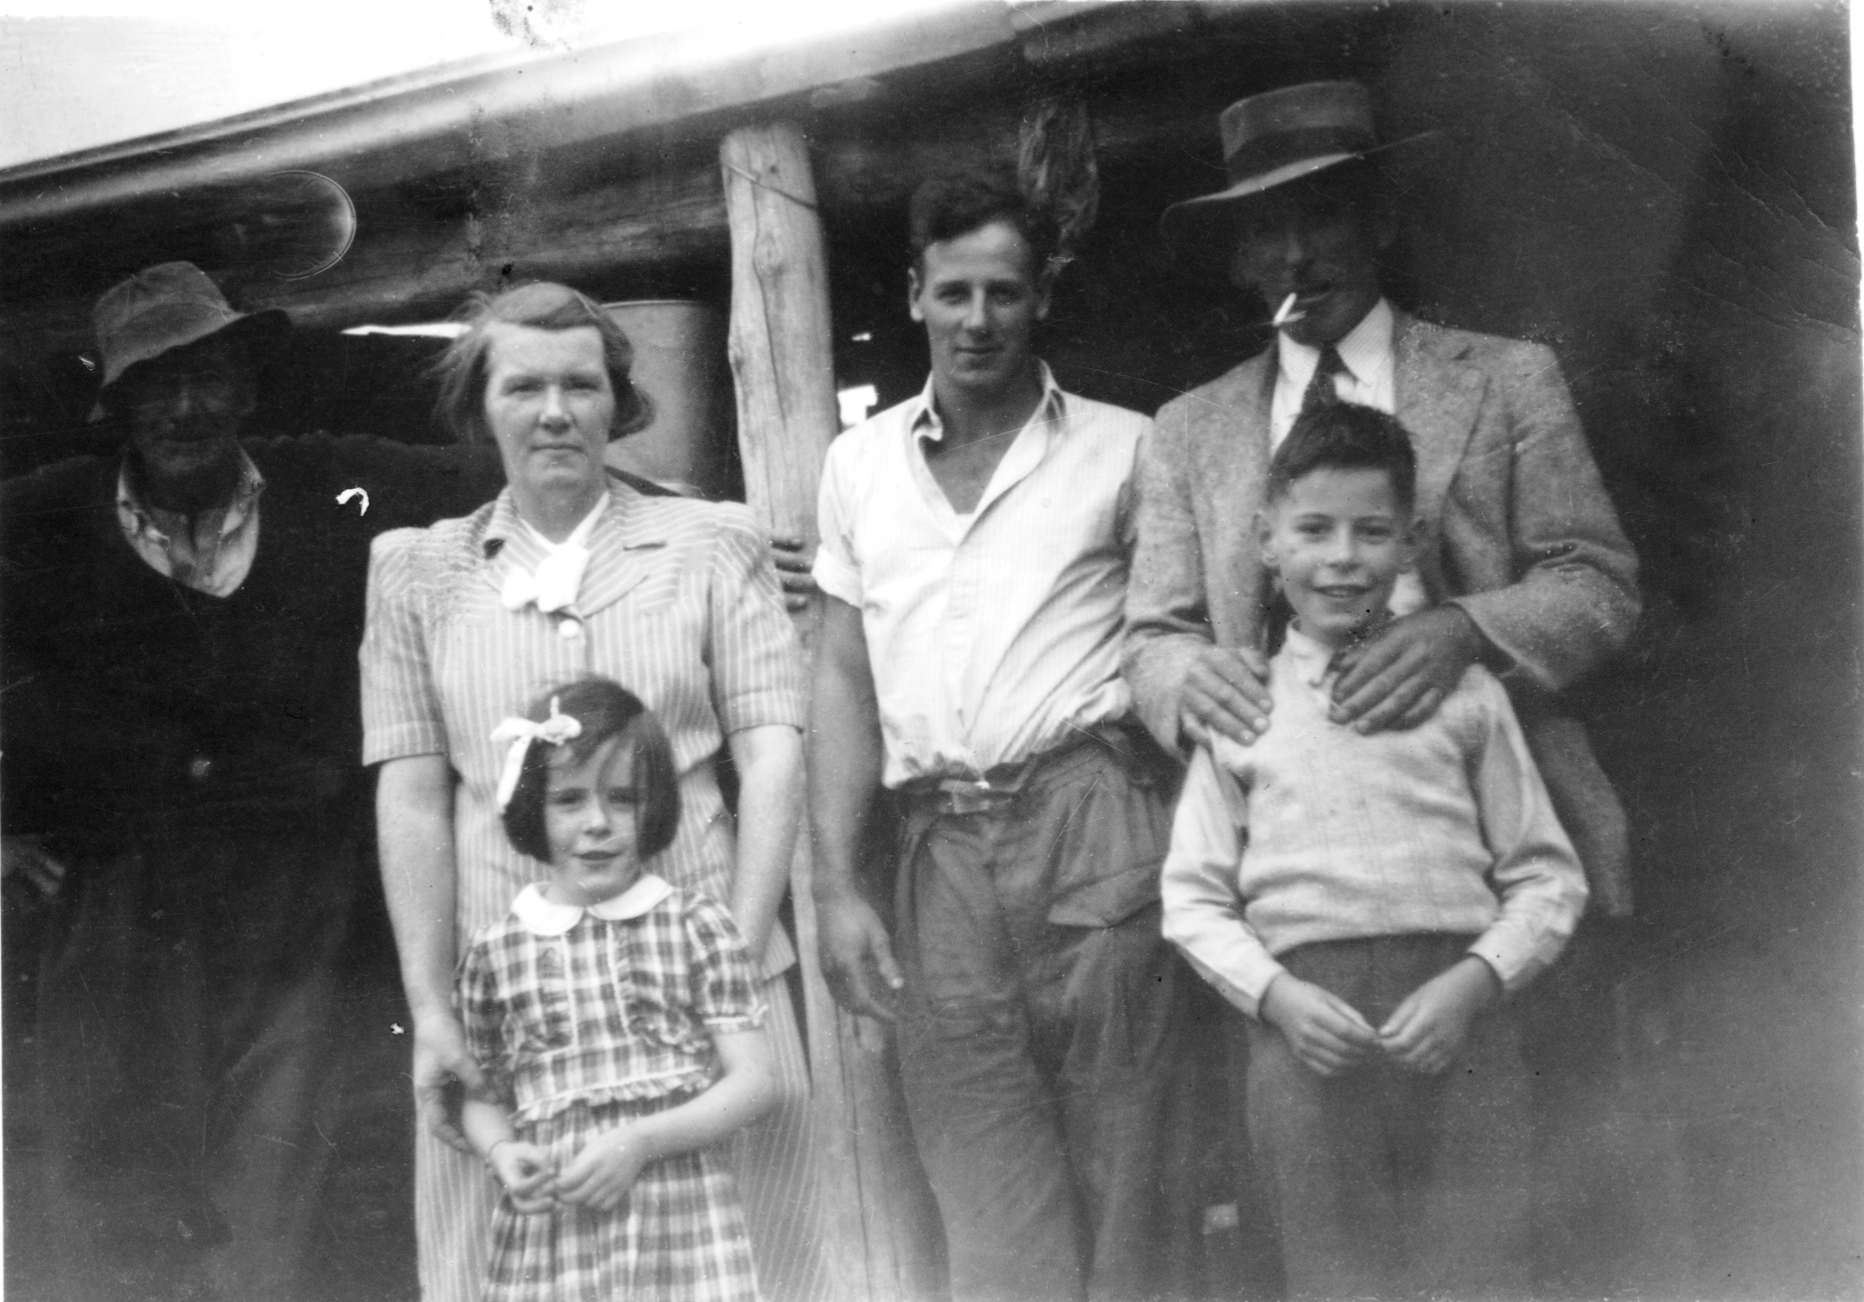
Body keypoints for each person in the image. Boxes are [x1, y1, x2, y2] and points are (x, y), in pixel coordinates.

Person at [0, 261, 507, 1301]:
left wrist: (687, 523)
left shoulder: (334, 481)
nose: (183, 407)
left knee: (276, 1191)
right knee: (110, 1183)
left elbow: (519, 477)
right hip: (116, 907)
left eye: (206, 378)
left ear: (245, 387)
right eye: (156, 383)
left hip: (298, 901)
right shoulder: (39, 517)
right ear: (118, 399)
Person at [361, 280, 828, 1302]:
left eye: (582, 384)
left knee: (750, 1262)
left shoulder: (712, 542)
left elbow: (773, 753)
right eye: (522, 386)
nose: (555, 411)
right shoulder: (416, 572)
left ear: (620, 400)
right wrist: (431, 1009)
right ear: (481, 409)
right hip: (510, 1001)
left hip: (708, 962)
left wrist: (735, 965)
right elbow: (410, 798)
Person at [1126, 80, 1640, 914]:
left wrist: (1468, 630)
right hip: (1285, 836)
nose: (1295, 256)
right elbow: (1154, 634)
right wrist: (1191, 680)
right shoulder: (1190, 427)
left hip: (1502, 817)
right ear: (1238, 258)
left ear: (1382, 224)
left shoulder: (1507, 380)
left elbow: (1598, 584)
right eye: (1266, 228)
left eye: (1323, 215)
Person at [809, 169, 1186, 1302]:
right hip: (937, 853)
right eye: (955, 292)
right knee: (982, 1187)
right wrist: (834, 882)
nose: (979, 321)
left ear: (1040, 301)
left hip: (1094, 821)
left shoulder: (1127, 446)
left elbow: (1177, 634)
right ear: (914, 293)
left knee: (1133, 1175)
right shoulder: (856, 465)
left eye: (1005, 295)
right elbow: (837, 673)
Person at [1161, 403, 1589, 1298]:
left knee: (1479, 1271)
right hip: (1307, 1036)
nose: (1343, 557)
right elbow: (1193, 898)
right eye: (1314, 530)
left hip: (1460, 1020)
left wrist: (1473, 983)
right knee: (1334, 1277)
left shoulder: (1467, 696)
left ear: (1411, 542)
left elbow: (1545, 875)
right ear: (1266, 542)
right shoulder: (1242, 709)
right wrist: (1276, 998)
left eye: (1371, 532)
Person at [459, 677, 776, 1302]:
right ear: (533, 809)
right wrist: (502, 1153)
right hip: (558, 1233)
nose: (597, 824)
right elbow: (479, 1095)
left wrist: (639, 1142)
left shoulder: (694, 925)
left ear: (652, 806)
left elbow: (756, 1082)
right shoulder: (496, 950)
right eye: (570, 800)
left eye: (623, 799)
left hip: (679, 1227)